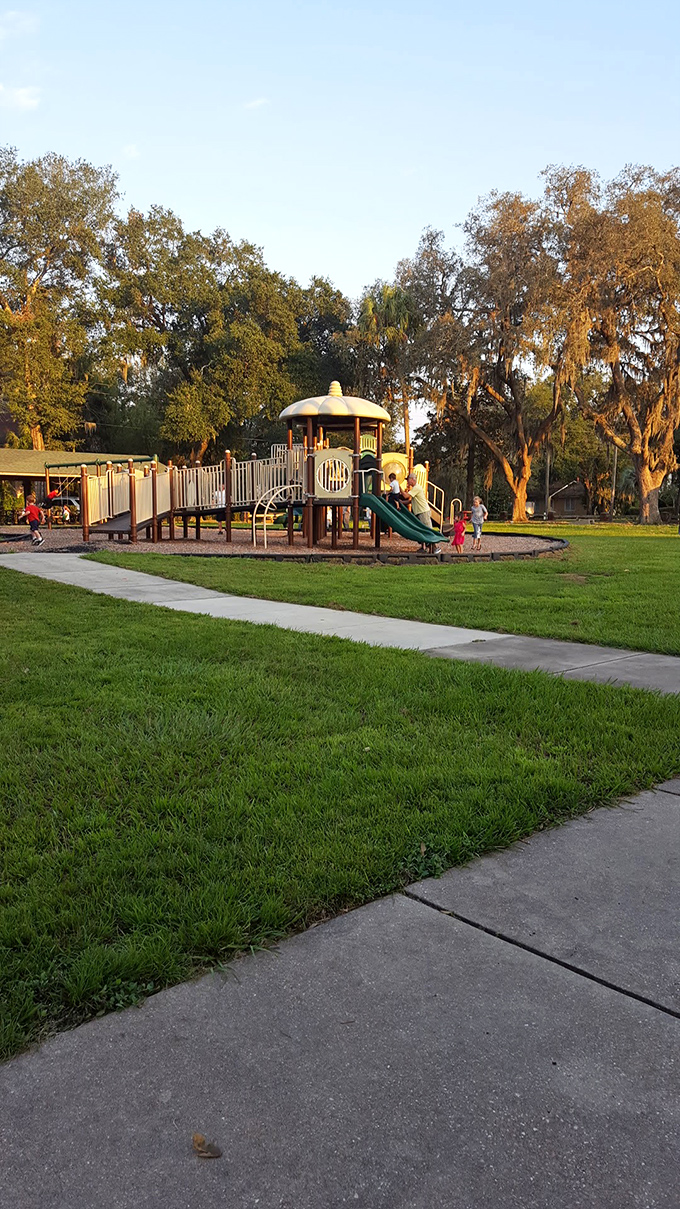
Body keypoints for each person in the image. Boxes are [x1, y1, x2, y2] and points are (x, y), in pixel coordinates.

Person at [402, 472, 442, 554]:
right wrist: (401, 502)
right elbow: (411, 501)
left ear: (412, 479)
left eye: (408, 480)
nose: (407, 482)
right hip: (419, 512)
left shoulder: (416, 488)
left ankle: (436, 547)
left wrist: (399, 488)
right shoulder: (414, 489)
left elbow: (406, 496)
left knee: (428, 529)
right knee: (421, 530)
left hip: (423, 512)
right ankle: (423, 547)